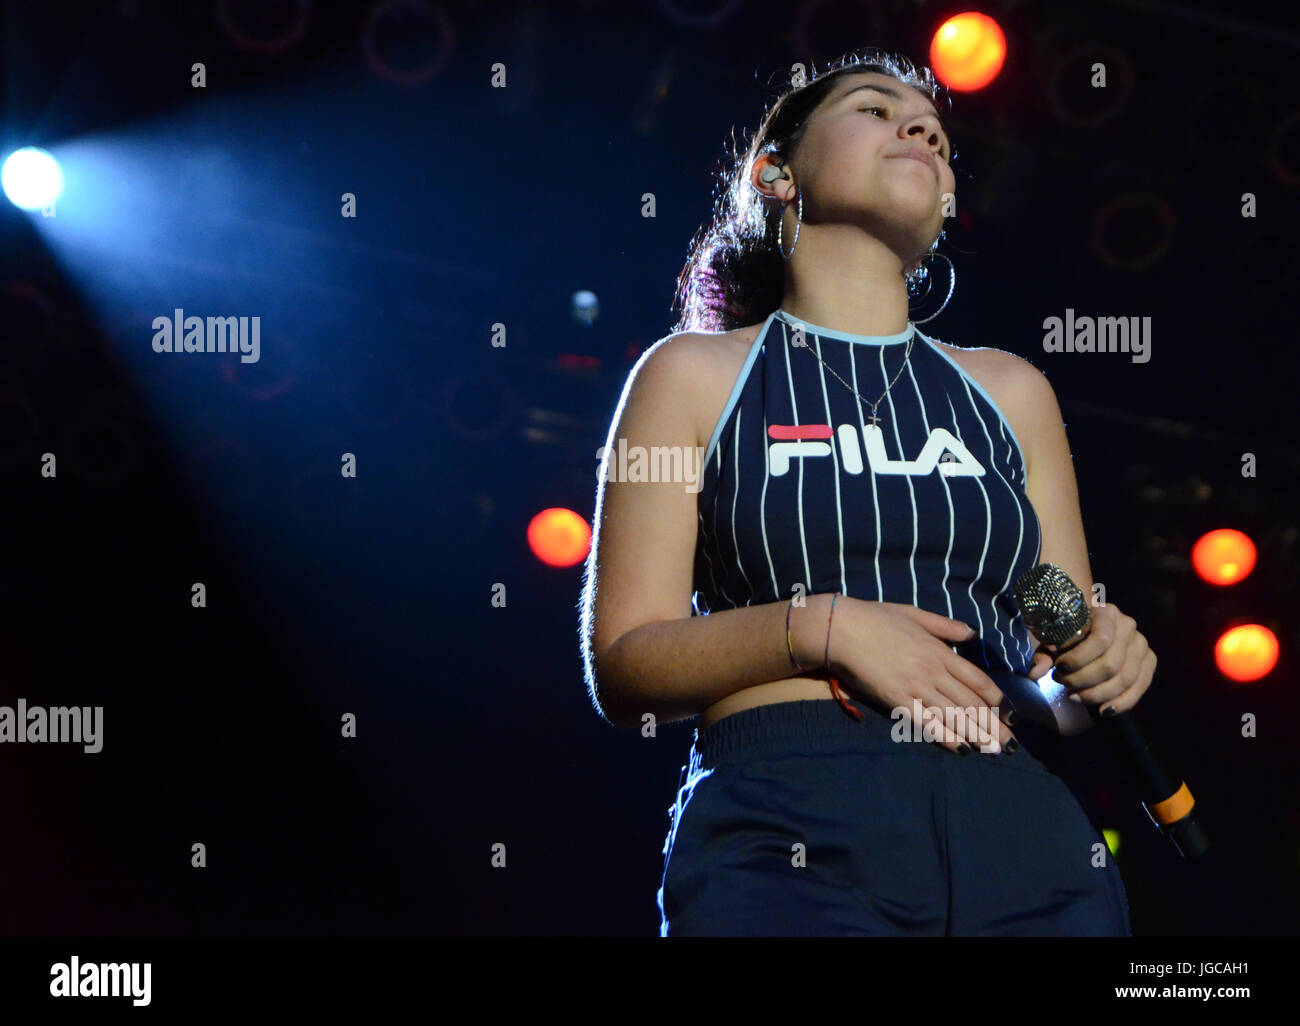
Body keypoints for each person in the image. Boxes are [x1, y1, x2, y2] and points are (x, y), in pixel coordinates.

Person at [579, 47, 1155, 936]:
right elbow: (624, 663)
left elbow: (1063, 677)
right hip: (789, 815)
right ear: (775, 174)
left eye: (933, 129)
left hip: (1023, 827)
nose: (920, 127)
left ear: (950, 203)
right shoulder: (694, 374)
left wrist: (1103, 661)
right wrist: (824, 626)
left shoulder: (1012, 392)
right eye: (875, 110)